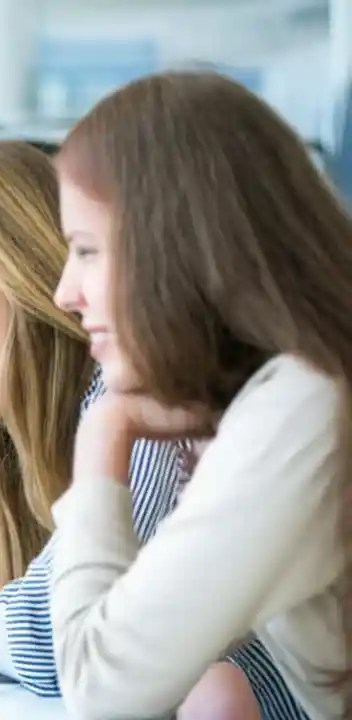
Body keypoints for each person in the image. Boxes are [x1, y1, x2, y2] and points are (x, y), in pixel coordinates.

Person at [0, 140, 302, 718]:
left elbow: (64, 636)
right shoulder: (8, 433)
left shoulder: (150, 398)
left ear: (30, 269)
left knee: (207, 688)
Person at [49, 70, 351, 720]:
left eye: (87, 250)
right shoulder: (290, 392)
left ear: (177, 246)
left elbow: (101, 685)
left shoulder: (305, 400)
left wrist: (103, 433)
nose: (65, 292)